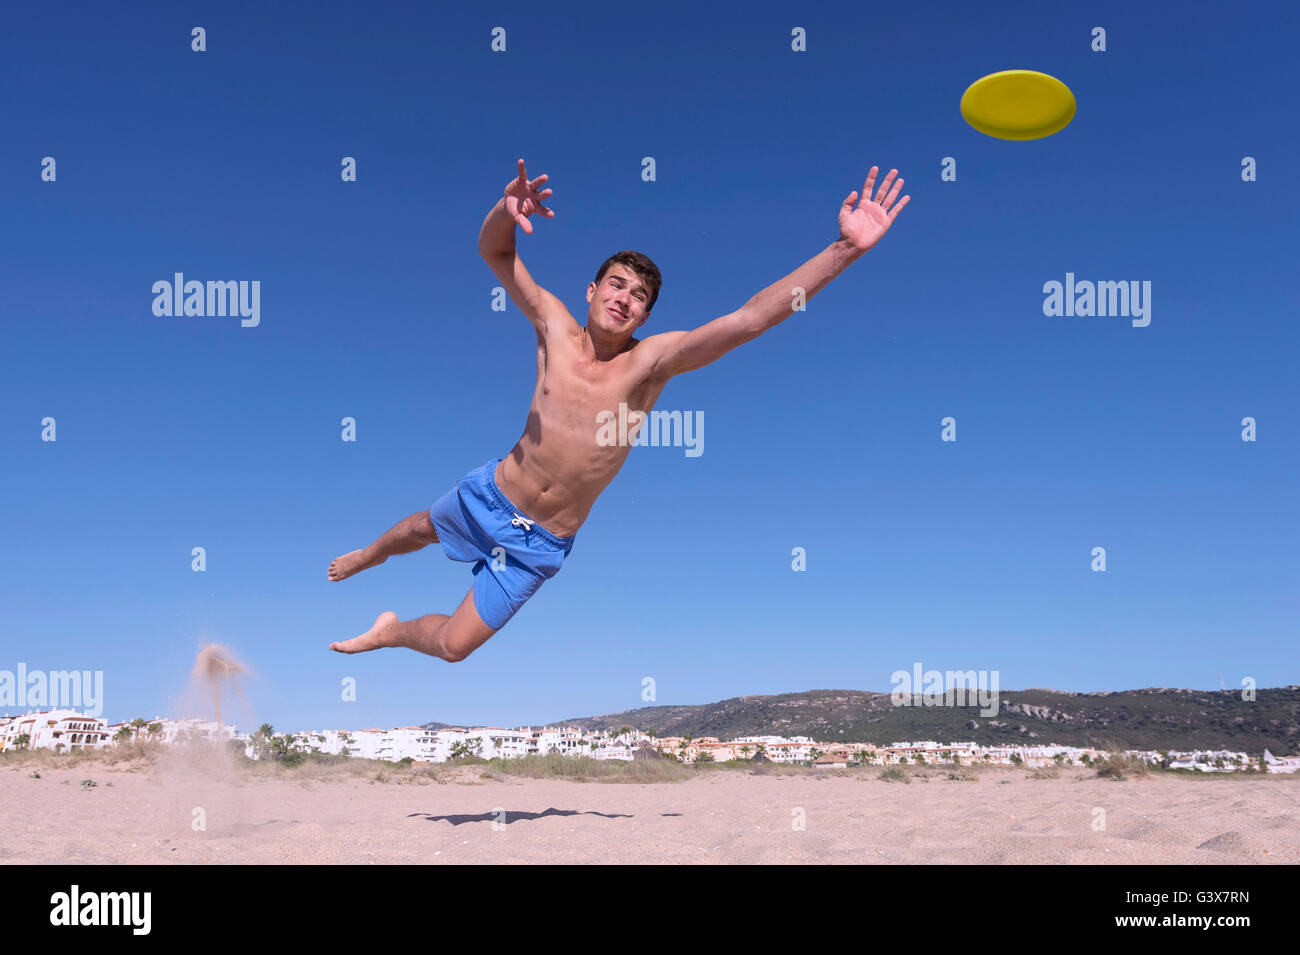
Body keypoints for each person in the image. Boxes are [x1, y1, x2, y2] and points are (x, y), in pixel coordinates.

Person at [328, 157, 909, 661]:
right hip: (492, 495)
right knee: (416, 529)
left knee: (455, 648)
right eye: (616, 283)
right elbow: (494, 250)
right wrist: (506, 210)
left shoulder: (651, 363)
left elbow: (749, 318)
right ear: (591, 290)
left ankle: (388, 634)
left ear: (645, 317)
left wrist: (845, 250)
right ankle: (367, 556)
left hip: (541, 543)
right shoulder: (553, 325)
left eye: (638, 295)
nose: (623, 297)